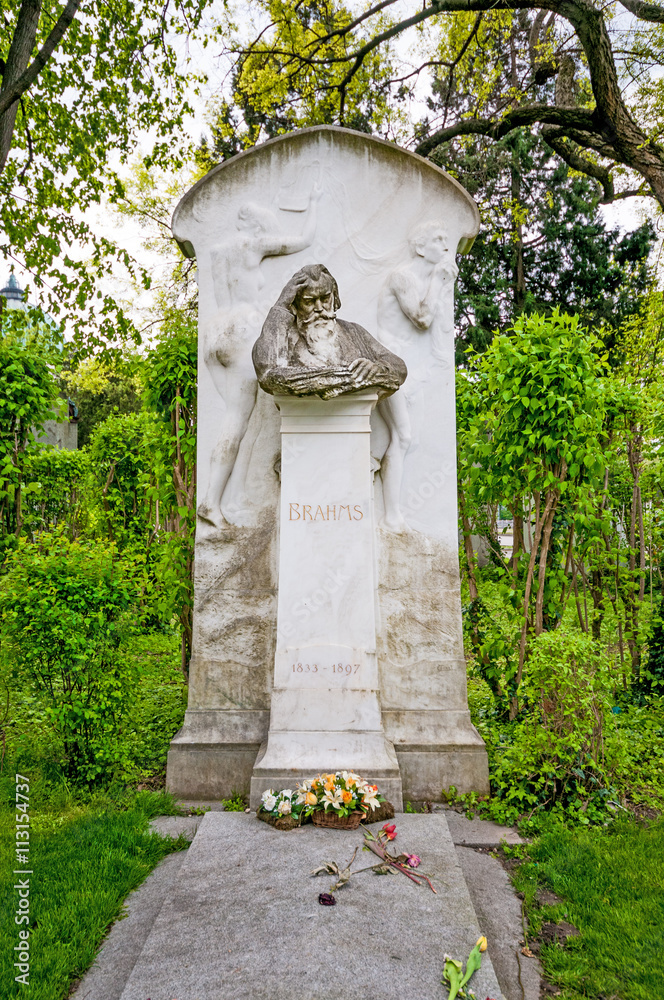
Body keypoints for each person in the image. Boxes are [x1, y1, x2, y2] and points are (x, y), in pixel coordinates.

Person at [197, 189, 321, 529]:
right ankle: (211, 501)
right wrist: (313, 203)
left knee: (236, 419)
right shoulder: (252, 245)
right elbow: (304, 238)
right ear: (255, 227)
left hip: (215, 333)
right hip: (242, 329)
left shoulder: (217, 251)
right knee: (237, 421)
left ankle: (231, 497)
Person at [376, 221, 458, 532]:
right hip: (392, 364)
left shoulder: (424, 279)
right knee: (404, 436)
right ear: (421, 248)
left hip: (409, 366)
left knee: (411, 439)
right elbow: (422, 318)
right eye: (439, 239)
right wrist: (438, 280)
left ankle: (378, 481)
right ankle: (391, 516)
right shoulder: (402, 277)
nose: (446, 246)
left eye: (447, 239)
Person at [252, 264, 406, 400]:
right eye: (309, 301)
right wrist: (281, 306)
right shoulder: (283, 338)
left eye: (325, 298)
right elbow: (267, 372)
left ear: (334, 297)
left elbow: (398, 367)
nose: (319, 308)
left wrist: (377, 368)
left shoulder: (353, 332)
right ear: (295, 304)